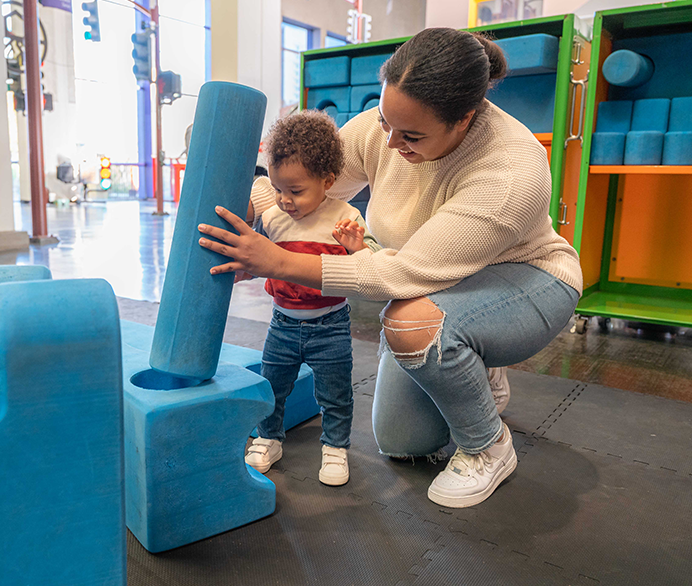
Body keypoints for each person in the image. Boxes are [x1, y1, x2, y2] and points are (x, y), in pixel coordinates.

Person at [197, 27, 582, 508]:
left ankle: (488, 446)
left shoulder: (510, 171)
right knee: (402, 441)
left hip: (526, 280)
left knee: (410, 323)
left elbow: (396, 276)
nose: (392, 142)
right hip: (433, 281)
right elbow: (309, 187)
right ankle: (472, 364)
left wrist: (278, 261)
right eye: (385, 121)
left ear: (463, 119)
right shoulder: (387, 127)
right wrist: (253, 204)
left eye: (412, 135)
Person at [243, 110, 381, 486]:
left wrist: (356, 248)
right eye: (278, 190)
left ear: (328, 181)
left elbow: (369, 271)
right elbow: (260, 260)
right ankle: (268, 437)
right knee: (271, 385)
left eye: (296, 191)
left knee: (334, 392)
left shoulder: (345, 217)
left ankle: (335, 447)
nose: (285, 200)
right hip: (282, 323)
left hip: (331, 326)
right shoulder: (272, 218)